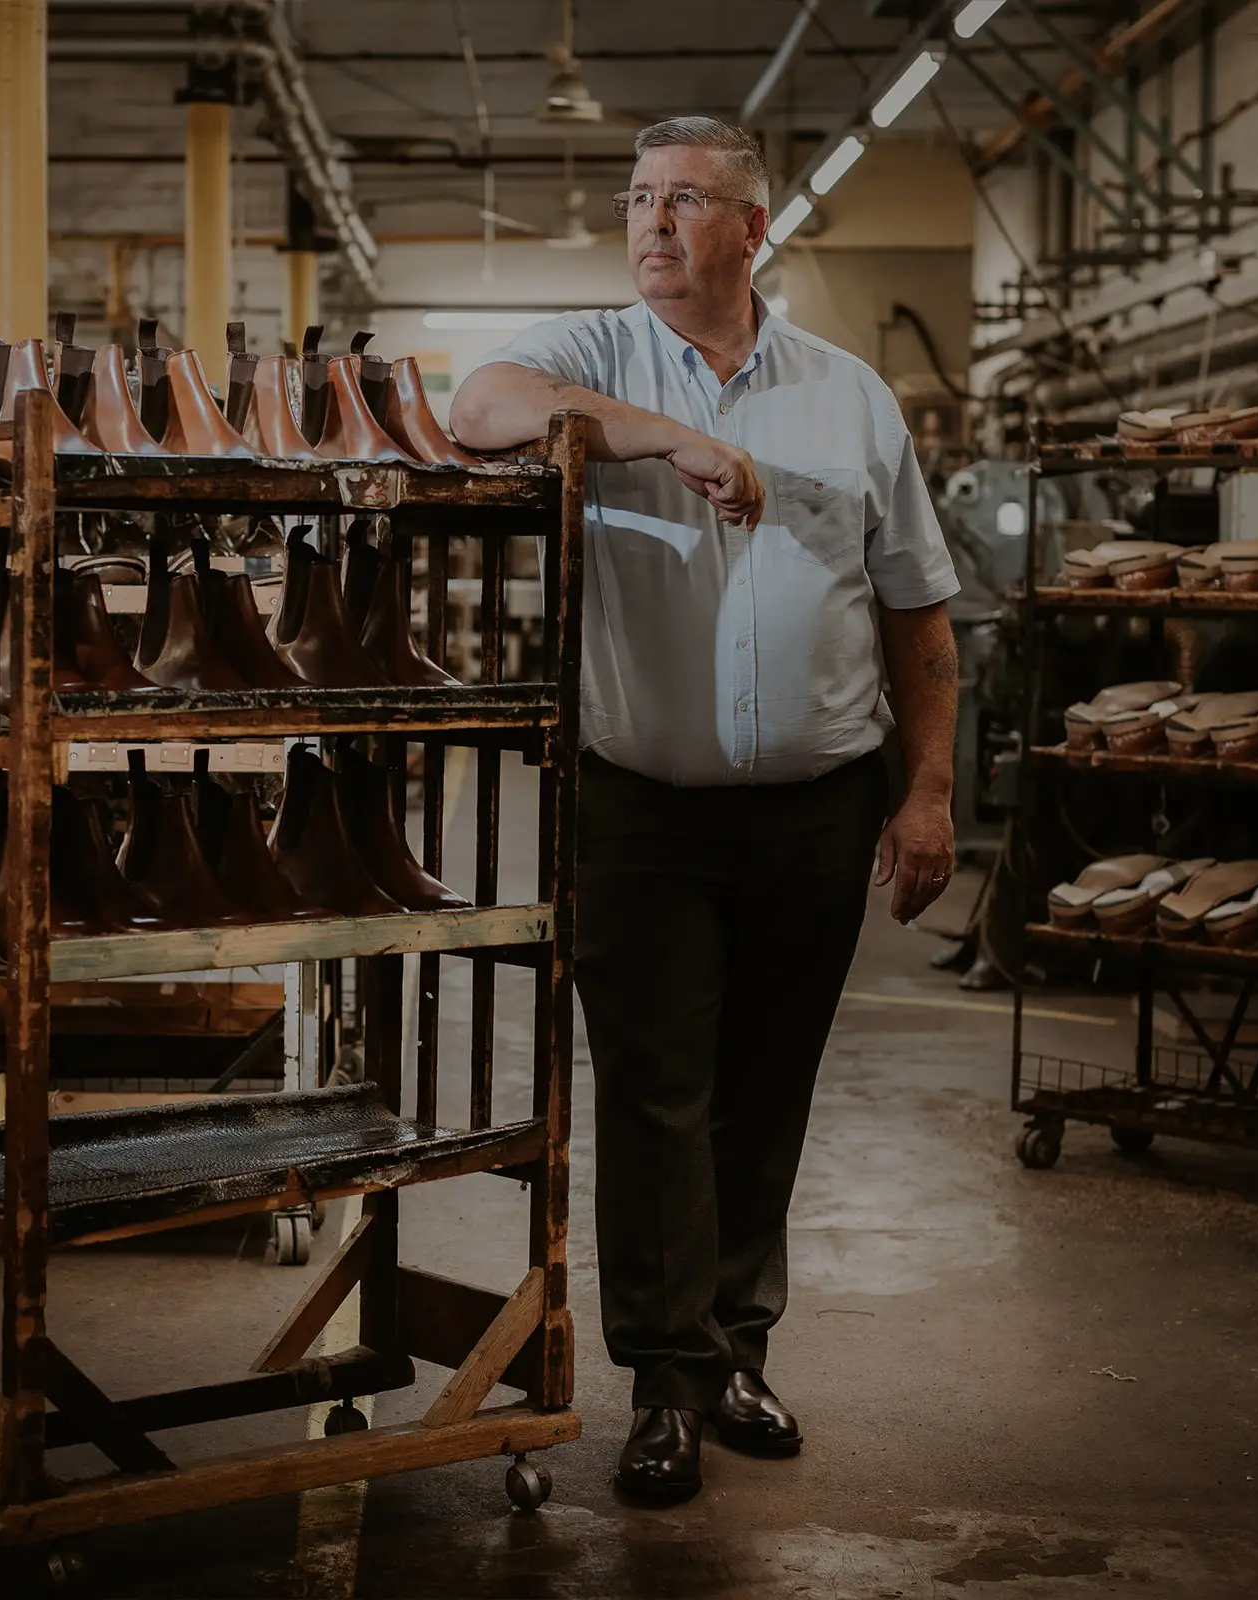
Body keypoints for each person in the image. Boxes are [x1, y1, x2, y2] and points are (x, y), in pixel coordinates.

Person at [448, 115, 961, 1505]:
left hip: (816, 809)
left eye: (684, 199)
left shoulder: (850, 397)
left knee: (765, 1093)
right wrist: (670, 439)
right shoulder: (594, 358)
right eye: (638, 199)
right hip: (644, 811)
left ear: (753, 228)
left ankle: (739, 1349)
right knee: (656, 1097)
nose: (653, 222)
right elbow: (475, 408)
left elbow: (917, 612)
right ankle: (667, 1383)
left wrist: (926, 790)